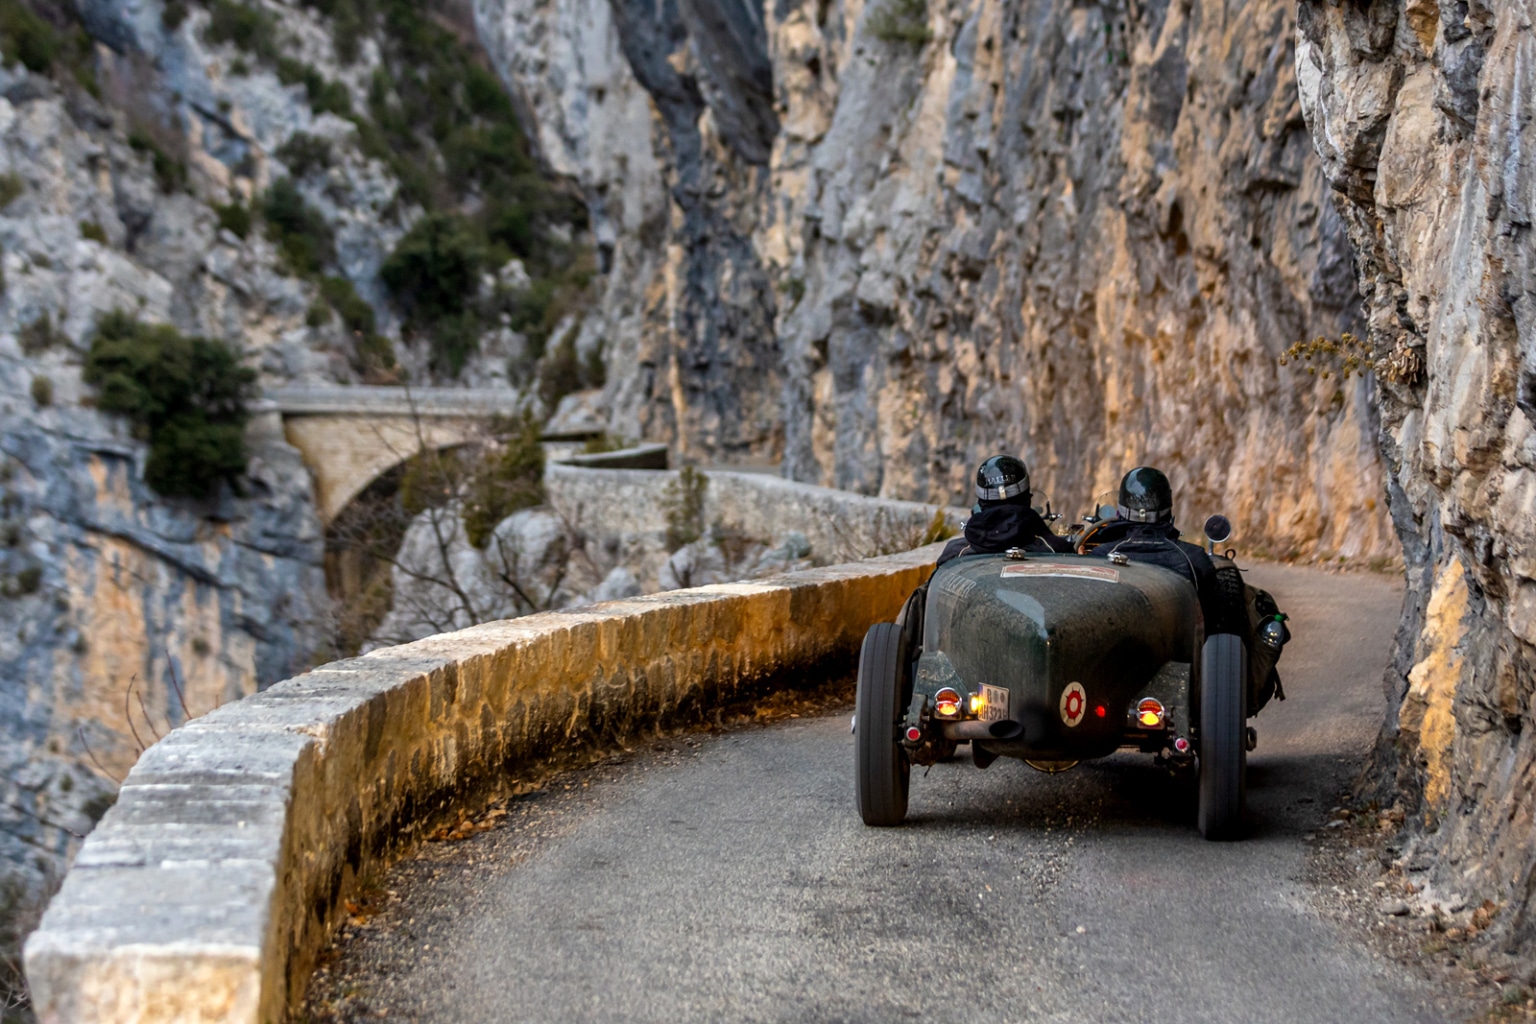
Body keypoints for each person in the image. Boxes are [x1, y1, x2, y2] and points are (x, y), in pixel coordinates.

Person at [936, 455, 1070, 567]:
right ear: (1027, 498)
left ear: (982, 502)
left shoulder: (954, 554)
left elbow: (924, 595)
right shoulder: (1057, 550)